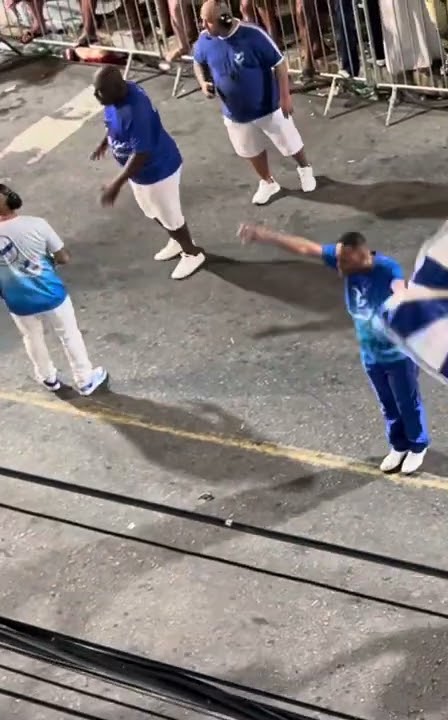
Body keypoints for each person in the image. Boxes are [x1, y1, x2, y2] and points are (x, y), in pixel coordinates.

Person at [237, 223, 430, 475]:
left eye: (344, 262)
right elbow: (306, 248)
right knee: (387, 402)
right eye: (338, 260)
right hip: (371, 353)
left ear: (362, 256)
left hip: (397, 354)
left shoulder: (387, 270)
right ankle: (399, 444)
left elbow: (403, 294)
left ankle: (417, 445)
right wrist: (264, 236)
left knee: (407, 401)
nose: (338, 267)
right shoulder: (347, 259)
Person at [192, 1, 317, 206]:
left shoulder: (253, 35)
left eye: (208, 22)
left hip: (267, 107)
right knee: (250, 150)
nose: (203, 26)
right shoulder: (205, 39)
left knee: (290, 142)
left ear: (223, 20)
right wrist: (203, 83)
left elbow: (279, 64)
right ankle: (267, 182)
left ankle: (305, 169)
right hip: (234, 113)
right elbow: (197, 61)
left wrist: (285, 97)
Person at [92, 66, 207, 281]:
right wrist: (104, 143)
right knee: (151, 210)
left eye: (100, 91)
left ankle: (192, 252)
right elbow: (111, 123)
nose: (96, 95)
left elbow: (142, 154)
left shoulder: (136, 111)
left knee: (170, 215)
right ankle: (175, 240)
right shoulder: (114, 98)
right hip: (140, 175)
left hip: (158, 170)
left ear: (117, 88)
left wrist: (115, 185)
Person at [0, 184, 109, 395]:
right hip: (52, 294)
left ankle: (47, 377)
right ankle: (85, 379)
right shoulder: (37, 225)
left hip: (18, 300)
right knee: (69, 335)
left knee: (32, 337)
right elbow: (63, 257)